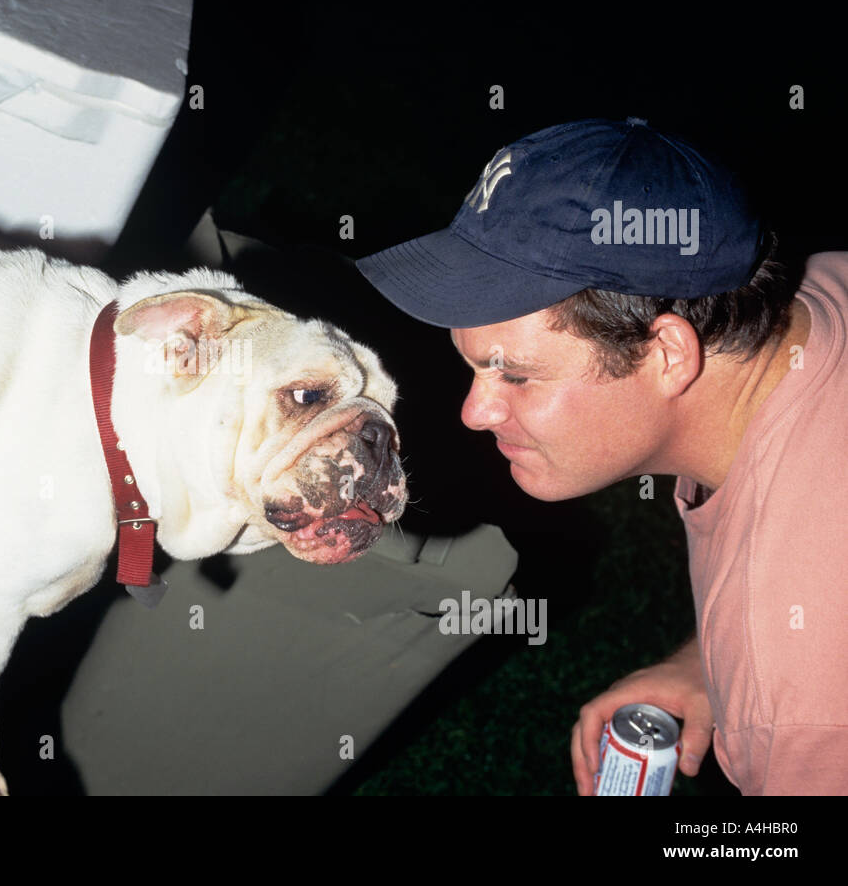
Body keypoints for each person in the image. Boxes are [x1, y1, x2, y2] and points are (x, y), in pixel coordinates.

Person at [357, 117, 848, 795]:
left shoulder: (800, 703)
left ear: (669, 353)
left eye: (517, 376)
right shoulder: (823, 293)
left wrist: (754, 681)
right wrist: (710, 665)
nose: (475, 412)